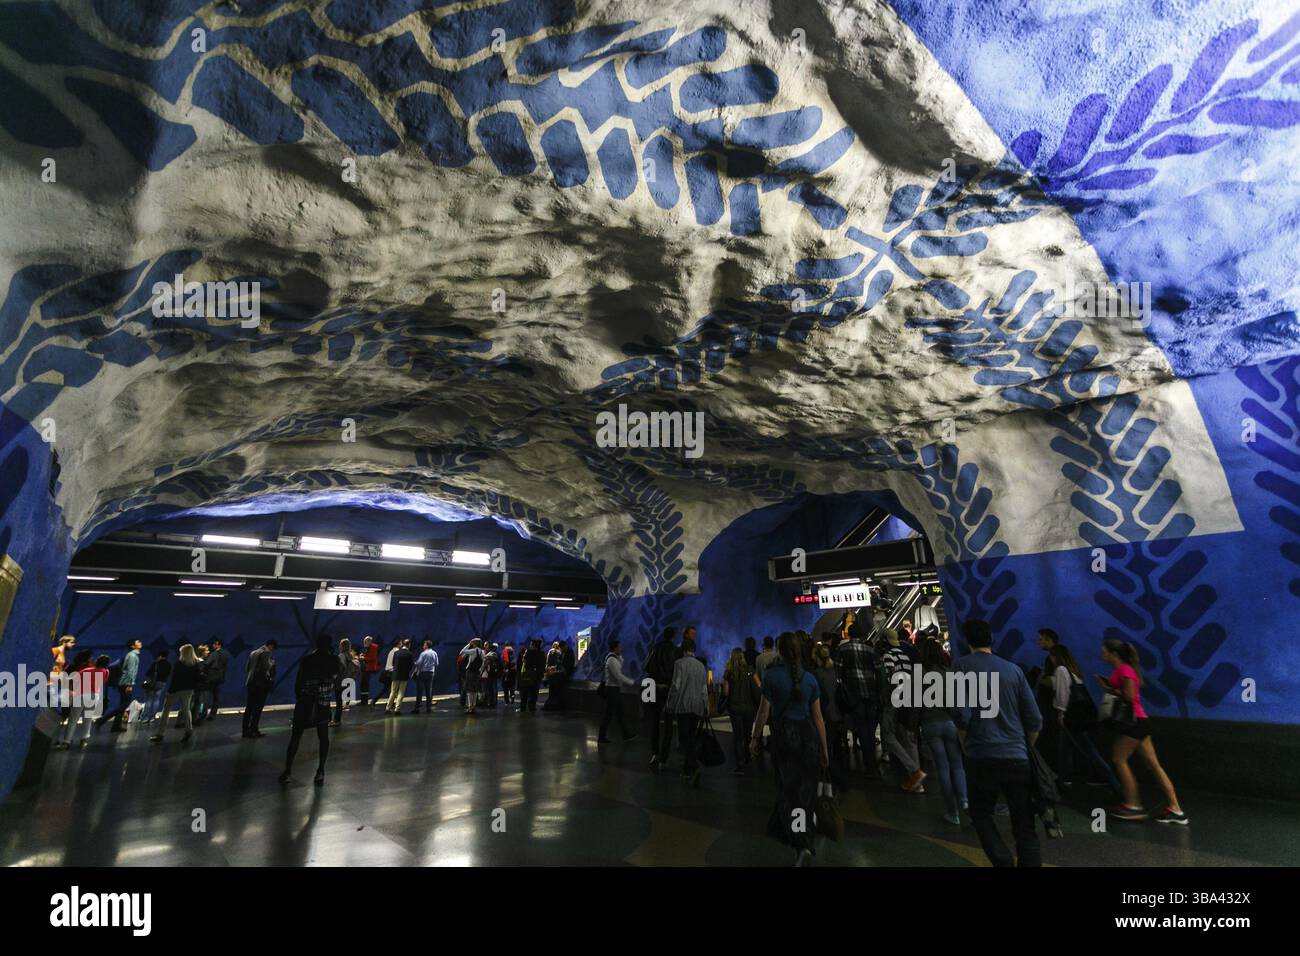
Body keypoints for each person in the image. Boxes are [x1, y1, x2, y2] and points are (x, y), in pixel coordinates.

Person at [954, 619, 1043, 867]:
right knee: (1024, 822)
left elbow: (962, 717)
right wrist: (1025, 747)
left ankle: (1002, 860)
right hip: (1016, 757)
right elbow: (1035, 719)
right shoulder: (1013, 670)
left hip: (981, 756)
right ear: (991, 639)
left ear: (967, 641)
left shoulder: (960, 668)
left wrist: (965, 745)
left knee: (981, 814)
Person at [751, 632, 829, 867]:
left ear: (780, 651)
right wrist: (825, 749)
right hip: (809, 738)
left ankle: (798, 841)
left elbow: (764, 712)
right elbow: (818, 718)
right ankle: (805, 835)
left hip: (784, 736)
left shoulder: (772, 677)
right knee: (806, 789)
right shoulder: (810, 679)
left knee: (788, 790)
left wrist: (755, 738)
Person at [1100, 640, 1187, 824]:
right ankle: (1175, 809)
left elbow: (1130, 696)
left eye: (1105, 652)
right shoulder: (1123, 670)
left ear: (1114, 653)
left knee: (1118, 758)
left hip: (1135, 722)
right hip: (1140, 721)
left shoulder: (1124, 670)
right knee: (1154, 765)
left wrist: (1112, 690)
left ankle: (1133, 805)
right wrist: (1112, 688)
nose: (1103, 655)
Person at [280, 633, 341, 786]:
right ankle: (320, 771)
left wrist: (301, 698)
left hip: (305, 704)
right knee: (323, 738)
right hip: (323, 704)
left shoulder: (307, 660)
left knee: (295, 738)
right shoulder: (334, 660)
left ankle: (287, 771)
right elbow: (336, 680)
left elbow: (298, 683)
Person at [918, 638, 968, 825]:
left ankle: (952, 812)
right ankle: (964, 800)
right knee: (957, 764)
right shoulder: (950, 673)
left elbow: (916, 704)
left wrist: (913, 726)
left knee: (942, 767)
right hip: (950, 722)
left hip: (931, 723)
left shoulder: (921, 674)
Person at [834, 617, 881, 781]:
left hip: (854, 696)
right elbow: (878, 671)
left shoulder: (843, 649)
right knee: (870, 728)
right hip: (871, 694)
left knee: (862, 730)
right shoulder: (870, 650)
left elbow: (837, 674)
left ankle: (869, 766)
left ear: (848, 634)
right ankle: (873, 765)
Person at [880, 627, 925, 792]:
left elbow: (890, 678)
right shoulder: (905, 654)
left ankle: (915, 772)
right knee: (908, 737)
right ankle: (917, 784)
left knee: (888, 735)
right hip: (909, 698)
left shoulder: (888, 656)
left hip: (895, 699)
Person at [664, 637, 709, 786]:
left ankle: (694, 767)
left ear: (683, 650)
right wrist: (706, 706)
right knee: (691, 736)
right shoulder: (701, 666)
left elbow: (676, 686)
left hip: (683, 706)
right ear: (694, 650)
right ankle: (687, 769)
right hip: (696, 706)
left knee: (684, 738)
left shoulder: (679, 664)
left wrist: (670, 703)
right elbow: (704, 689)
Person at [150, 644, 203, 744]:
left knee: (166, 711)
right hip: (189, 690)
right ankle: (188, 730)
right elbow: (197, 678)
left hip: (176, 690)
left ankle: (161, 733)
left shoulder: (180, 663)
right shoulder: (195, 663)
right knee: (186, 710)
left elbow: (175, 679)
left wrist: (169, 691)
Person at [54, 650, 107, 749]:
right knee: (79, 718)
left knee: (71, 719)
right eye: (90, 657)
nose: (92, 659)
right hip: (79, 695)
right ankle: (79, 740)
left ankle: (66, 741)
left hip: (77, 695)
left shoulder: (85, 668)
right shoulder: (98, 670)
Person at [811, 642, 845, 790]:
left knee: (826, 750)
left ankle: (836, 781)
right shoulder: (835, 671)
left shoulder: (817, 674)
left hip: (827, 716)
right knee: (836, 748)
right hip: (838, 714)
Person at [645, 627, 679, 769]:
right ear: (673, 636)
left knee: (654, 721)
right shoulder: (675, 650)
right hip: (668, 689)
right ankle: (663, 759)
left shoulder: (655, 648)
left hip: (653, 687)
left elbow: (647, 667)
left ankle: (654, 753)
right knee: (668, 724)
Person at [723, 647, 759, 774]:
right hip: (749, 708)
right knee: (747, 734)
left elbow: (726, 692)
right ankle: (748, 757)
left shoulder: (729, 672)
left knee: (738, 737)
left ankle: (739, 764)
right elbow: (758, 686)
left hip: (734, 707)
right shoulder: (750, 670)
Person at [598, 639, 638, 743]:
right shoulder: (611, 660)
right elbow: (618, 676)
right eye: (619, 647)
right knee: (609, 714)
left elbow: (620, 665)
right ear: (615, 648)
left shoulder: (614, 658)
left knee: (618, 713)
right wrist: (632, 682)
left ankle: (625, 734)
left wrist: (619, 657)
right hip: (612, 690)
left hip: (614, 689)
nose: (621, 648)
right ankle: (602, 736)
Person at [98, 639, 141, 732]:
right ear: (133, 646)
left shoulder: (131, 655)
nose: (140, 643)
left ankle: (116, 726)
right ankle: (102, 720)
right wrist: (130, 685)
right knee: (124, 705)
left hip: (124, 682)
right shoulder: (132, 656)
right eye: (138, 642)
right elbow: (130, 671)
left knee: (123, 705)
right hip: (126, 683)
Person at [242, 640, 277, 738]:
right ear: (271, 646)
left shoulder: (253, 652)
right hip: (261, 685)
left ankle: (245, 730)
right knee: (258, 708)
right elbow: (267, 667)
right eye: (273, 648)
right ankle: (254, 730)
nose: (272, 650)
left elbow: (247, 668)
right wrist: (272, 662)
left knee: (249, 708)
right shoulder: (266, 652)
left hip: (251, 682)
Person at [141, 650, 172, 727]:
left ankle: (145, 718)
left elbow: (148, 673)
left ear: (160, 656)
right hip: (162, 683)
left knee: (149, 700)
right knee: (156, 700)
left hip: (152, 683)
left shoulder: (156, 663)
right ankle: (152, 717)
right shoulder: (168, 664)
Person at [333, 638, 360, 726]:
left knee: (338, 702)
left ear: (342, 646)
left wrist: (335, 677)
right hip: (347, 681)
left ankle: (336, 720)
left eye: (340, 644)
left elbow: (341, 667)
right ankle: (337, 720)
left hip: (340, 681)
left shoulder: (341, 655)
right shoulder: (350, 655)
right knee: (340, 702)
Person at [203, 638, 230, 722]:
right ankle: (212, 715)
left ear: (218, 644)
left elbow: (207, 664)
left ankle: (202, 714)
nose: (212, 645)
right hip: (219, 678)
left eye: (214, 644)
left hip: (210, 678)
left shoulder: (214, 654)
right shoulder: (226, 654)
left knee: (205, 697)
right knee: (216, 697)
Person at [386, 640, 414, 714]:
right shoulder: (410, 654)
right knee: (401, 693)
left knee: (393, 692)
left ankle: (388, 708)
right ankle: (397, 709)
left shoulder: (396, 653)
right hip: (404, 676)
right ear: (409, 645)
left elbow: (393, 663)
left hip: (395, 675)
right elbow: (411, 666)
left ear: (403, 644)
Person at [517, 638, 544, 712]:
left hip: (528, 674)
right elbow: (542, 665)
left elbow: (525, 662)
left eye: (530, 644)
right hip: (537, 676)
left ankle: (523, 707)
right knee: (534, 693)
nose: (529, 645)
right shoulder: (541, 653)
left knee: (525, 692)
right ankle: (532, 707)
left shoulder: (529, 652)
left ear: (533, 645)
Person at [413, 640, 439, 714]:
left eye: (424, 645)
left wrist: (415, 663)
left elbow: (419, 663)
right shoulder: (434, 653)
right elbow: (436, 663)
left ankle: (417, 708)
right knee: (429, 690)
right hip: (431, 673)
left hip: (423, 673)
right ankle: (428, 708)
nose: (423, 646)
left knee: (420, 691)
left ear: (427, 645)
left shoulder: (423, 653)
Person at [461, 639, 485, 715]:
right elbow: (483, 663)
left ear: (474, 643)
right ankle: (473, 707)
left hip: (470, 672)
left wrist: (468, 644)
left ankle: (470, 707)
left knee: (469, 691)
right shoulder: (482, 651)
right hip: (477, 672)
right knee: (475, 690)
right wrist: (480, 672)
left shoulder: (473, 650)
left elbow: (461, 652)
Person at [359, 636, 380, 706]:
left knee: (364, 684)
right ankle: (363, 700)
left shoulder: (373, 647)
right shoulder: (366, 647)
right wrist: (361, 656)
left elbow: (373, 658)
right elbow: (365, 655)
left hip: (368, 668)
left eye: (365, 642)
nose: (364, 643)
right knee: (363, 684)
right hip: (364, 668)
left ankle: (364, 702)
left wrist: (363, 658)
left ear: (369, 641)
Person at [482, 643, 501, 708]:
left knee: (490, 688)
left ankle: (491, 702)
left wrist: (482, 672)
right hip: (494, 673)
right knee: (493, 688)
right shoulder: (497, 654)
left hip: (490, 673)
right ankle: (493, 702)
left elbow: (485, 663)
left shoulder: (490, 654)